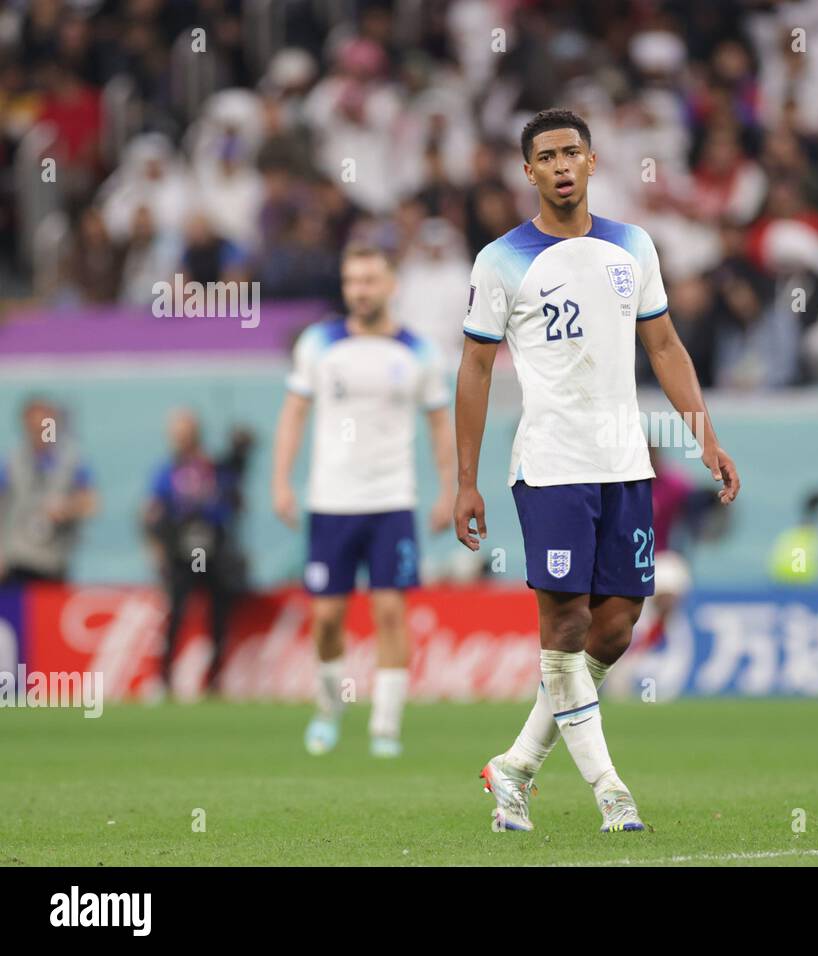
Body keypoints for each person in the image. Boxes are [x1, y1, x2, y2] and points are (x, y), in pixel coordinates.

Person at [453, 109, 739, 834]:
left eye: (570, 152)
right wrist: (465, 479)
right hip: (551, 464)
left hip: (625, 461)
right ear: (528, 172)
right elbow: (476, 368)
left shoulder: (632, 245)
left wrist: (703, 436)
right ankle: (612, 791)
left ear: (590, 160)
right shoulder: (501, 260)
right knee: (566, 624)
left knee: (613, 630)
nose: (558, 164)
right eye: (544, 155)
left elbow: (667, 346)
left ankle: (515, 766)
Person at [271, 243, 456, 757]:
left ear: (391, 285)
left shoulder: (419, 351)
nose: (360, 290)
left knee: (390, 612)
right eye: (352, 280)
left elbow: (440, 423)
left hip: (392, 500)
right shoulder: (319, 343)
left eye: (370, 280)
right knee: (327, 618)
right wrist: (281, 481)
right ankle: (330, 708)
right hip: (331, 501)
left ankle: (385, 727)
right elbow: (294, 413)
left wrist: (449, 489)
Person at [143, 410, 246, 695]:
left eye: (185, 432)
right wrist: (156, 549)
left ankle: (214, 680)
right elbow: (152, 512)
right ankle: (163, 679)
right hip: (181, 553)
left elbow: (236, 487)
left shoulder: (214, 468)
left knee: (218, 617)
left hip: (212, 551)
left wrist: (240, 449)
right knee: (176, 613)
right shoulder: (168, 470)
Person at [0, 397, 98, 586]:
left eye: (45, 425)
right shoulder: (12, 462)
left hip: (54, 559)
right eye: (33, 426)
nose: (39, 432)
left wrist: (68, 508)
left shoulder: (72, 462)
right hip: (17, 559)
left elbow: (92, 503)